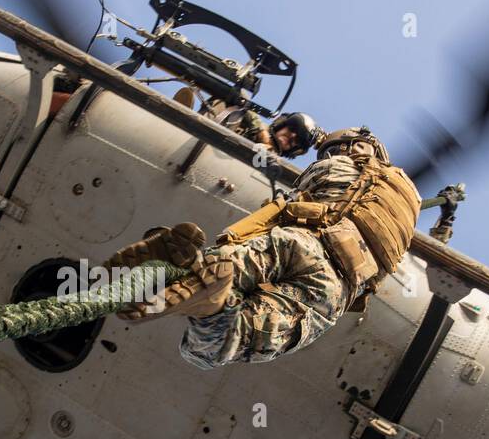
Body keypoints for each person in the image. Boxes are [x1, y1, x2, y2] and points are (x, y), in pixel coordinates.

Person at [104, 127, 421, 370]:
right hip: (334, 288)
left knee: (222, 268)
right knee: (215, 349)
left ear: (345, 149)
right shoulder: (403, 217)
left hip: (298, 243)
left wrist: (233, 243)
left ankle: (186, 268)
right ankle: (214, 306)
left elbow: (288, 207)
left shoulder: (336, 167)